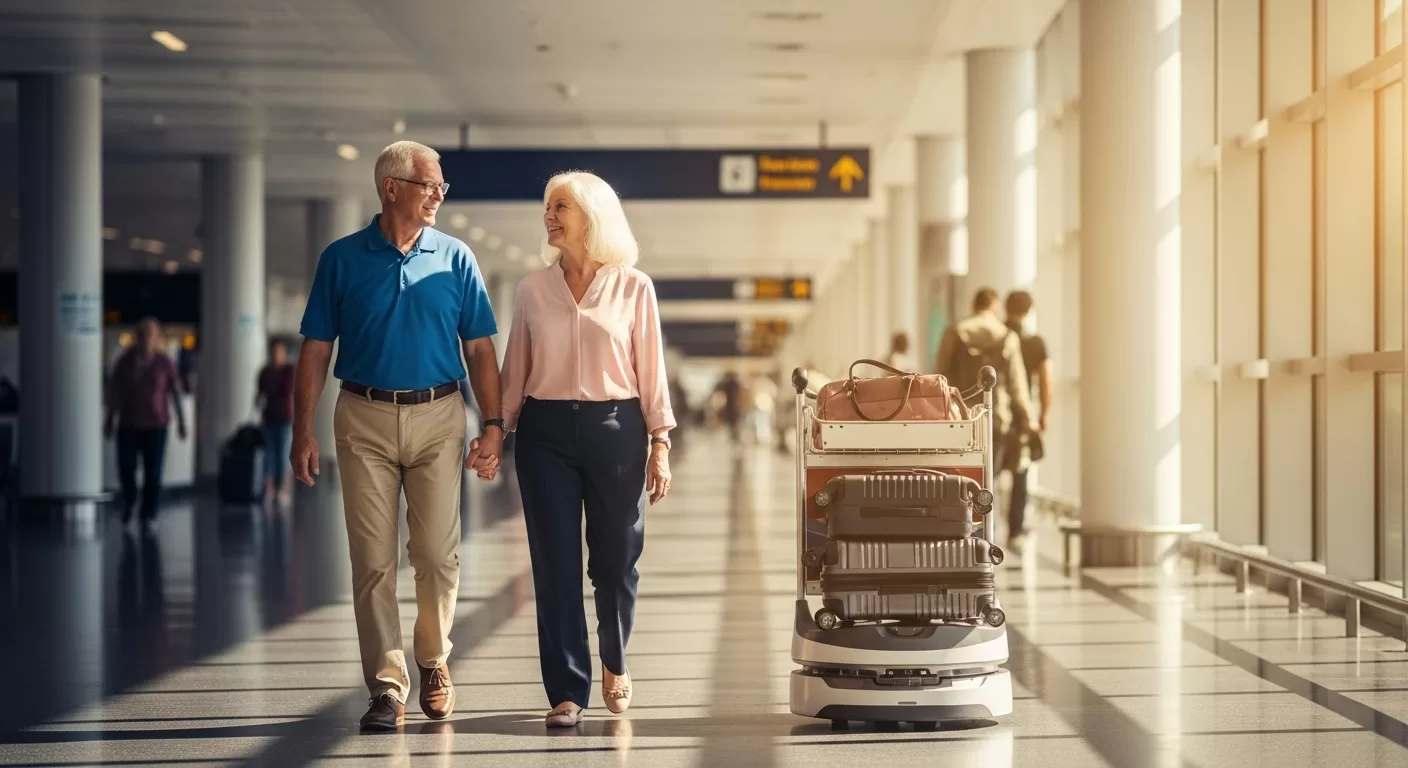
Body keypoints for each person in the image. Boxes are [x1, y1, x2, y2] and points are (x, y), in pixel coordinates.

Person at [291, 140, 503, 732]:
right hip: (361, 416)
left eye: (441, 187)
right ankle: (387, 688)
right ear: (392, 188)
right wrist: (301, 428)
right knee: (372, 561)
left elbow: (481, 347)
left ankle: (434, 659)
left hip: (439, 415)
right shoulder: (341, 258)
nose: (439, 195)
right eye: (430, 185)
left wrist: (493, 424)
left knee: (437, 554)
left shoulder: (457, 257)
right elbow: (315, 348)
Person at [499, 170, 675, 728]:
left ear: (591, 216)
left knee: (617, 559)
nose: (549, 216)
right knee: (553, 564)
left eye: (560, 207)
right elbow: (515, 370)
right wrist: (494, 431)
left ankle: (616, 661)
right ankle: (567, 690)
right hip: (544, 432)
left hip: (616, 427)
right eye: (548, 206)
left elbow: (652, 370)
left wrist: (660, 442)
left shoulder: (633, 287)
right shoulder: (531, 289)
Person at [936, 288, 1032, 532]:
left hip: (960, 418)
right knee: (992, 475)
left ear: (973, 305)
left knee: (962, 474)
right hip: (996, 417)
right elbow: (1017, 384)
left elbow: (939, 374)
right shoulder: (1007, 336)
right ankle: (990, 530)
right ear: (995, 307)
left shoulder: (956, 332)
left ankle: (965, 528)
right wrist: (1028, 417)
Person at [105, 318, 188, 527]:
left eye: (150, 335)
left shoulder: (164, 363)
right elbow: (115, 393)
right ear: (137, 337)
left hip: (156, 425)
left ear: (157, 338)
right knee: (126, 467)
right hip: (128, 424)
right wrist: (109, 419)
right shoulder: (124, 362)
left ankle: (149, 513)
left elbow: (175, 393)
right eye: (142, 334)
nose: (146, 339)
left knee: (153, 472)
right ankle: (130, 501)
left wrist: (181, 421)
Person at [1004, 290, 1052, 546]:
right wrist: (1044, 414)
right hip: (1023, 416)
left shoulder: (997, 338)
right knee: (1020, 471)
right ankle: (1015, 529)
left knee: (989, 470)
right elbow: (1046, 380)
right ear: (1030, 310)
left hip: (997, 412)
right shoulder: (1036, 343)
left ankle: (979, 527)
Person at [254, 339, 296, 505]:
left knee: (283, 453)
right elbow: (260, 391)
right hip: (269, 417)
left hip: (285, 417)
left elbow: (286, 389)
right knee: (269, 454)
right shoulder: (265, 371)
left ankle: (283, 488)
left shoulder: (289, 371)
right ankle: (269, 487)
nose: (276, 355)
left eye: (279, 351)